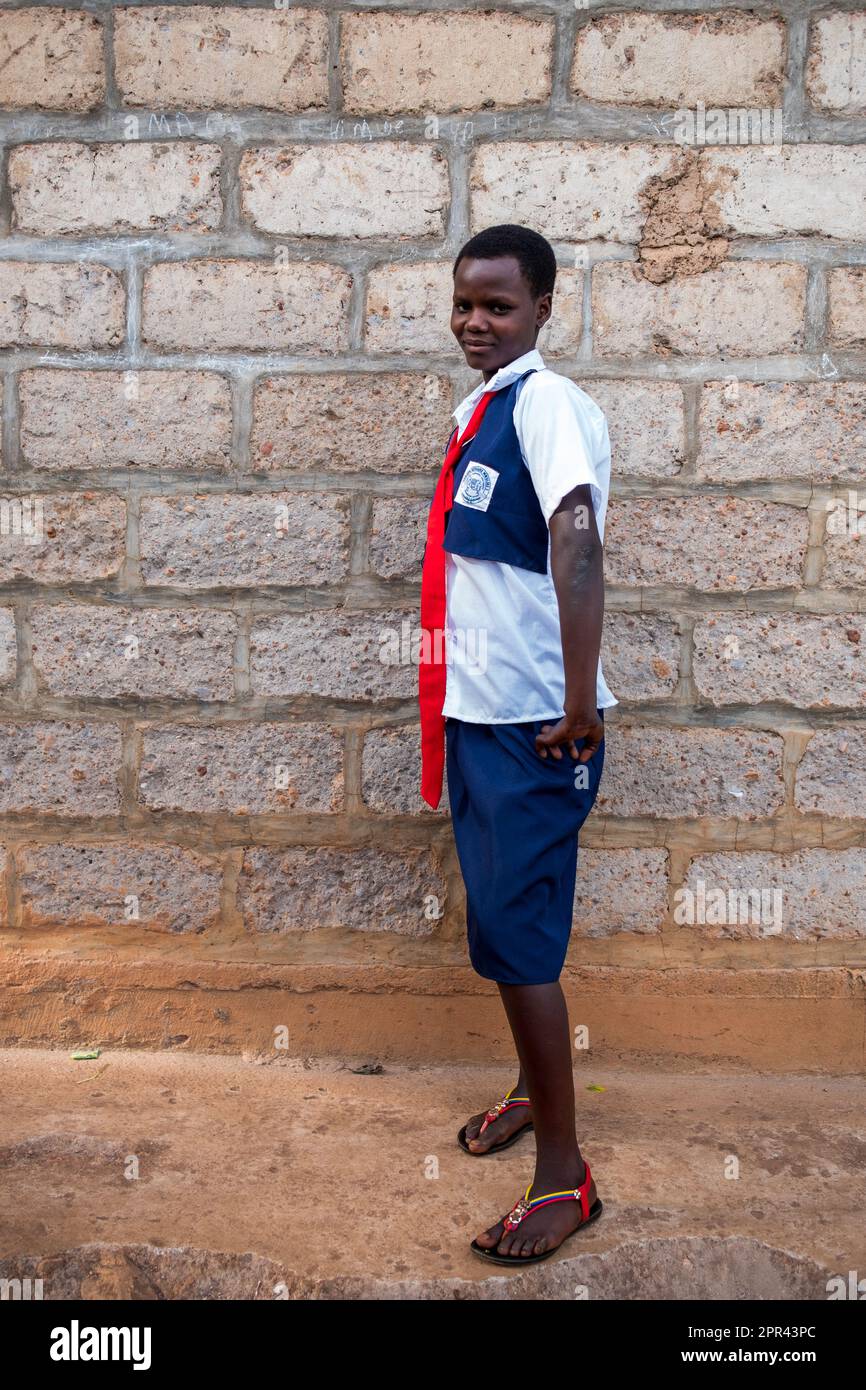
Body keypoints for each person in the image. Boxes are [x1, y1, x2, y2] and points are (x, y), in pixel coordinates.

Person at [418, 223, 618, 1265]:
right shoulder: (480, 411)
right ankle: (530, 1095)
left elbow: (575, 539)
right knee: (502, 932)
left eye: (497, 305)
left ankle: (566, 1175)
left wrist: (579, 705)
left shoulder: (541, 405)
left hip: (537, 725)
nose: (475, 321)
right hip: (483, 715)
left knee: (522, 943)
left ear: (542, 308)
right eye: (464, 303)